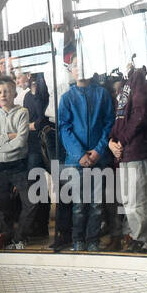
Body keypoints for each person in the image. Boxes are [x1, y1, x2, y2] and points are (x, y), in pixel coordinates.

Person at [56, 62, 113, 252]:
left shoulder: (102, 94)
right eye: (75, 65)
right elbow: (64, 128)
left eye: (83, 63)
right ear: (71, 70)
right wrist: (79, 154)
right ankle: (78, 239)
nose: (80, 68)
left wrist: (98, 150)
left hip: (99, 158)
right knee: (79, 204)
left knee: (97, 204)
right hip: (76, 161)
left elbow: (108, 123)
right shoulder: (66, 98)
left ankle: (93, 240)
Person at [108, 64, 147, 253]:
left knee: (139, 198)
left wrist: (122, 139)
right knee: (128, 199)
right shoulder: (125, 83)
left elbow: (140, 113)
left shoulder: (138, 78)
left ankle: (144, 240)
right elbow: (118, 119)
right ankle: (135, 237)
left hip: (136, 149)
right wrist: (111, 141)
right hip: (124, 151)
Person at [0, 78, 33, 249]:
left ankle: (19, 237)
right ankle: (8, 240)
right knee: (3, 207)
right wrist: (6, 137)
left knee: (31, 202)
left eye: (6, 91)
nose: (3, 95)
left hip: (18, 164)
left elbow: (20, 141)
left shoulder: (22, 112)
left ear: (14, 93)